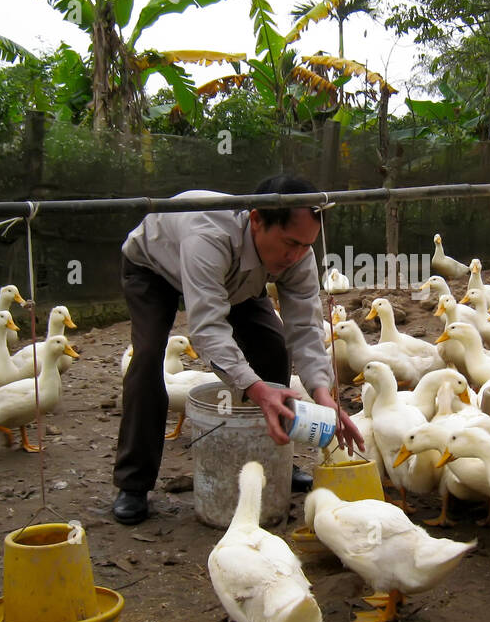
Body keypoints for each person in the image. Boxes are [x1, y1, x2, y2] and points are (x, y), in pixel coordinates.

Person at [111, 173, 364, 524]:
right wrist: (256, 389)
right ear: (256, 219)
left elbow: (305, 327)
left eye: (307, 246)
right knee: (149, 357)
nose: (297, 256)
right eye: (291, 243)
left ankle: (274, 454)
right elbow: (208, 327)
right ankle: (133, 484)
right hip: (154, 268)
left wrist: (324, 394)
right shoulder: (208, 236)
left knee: (273, 346)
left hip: (241, 279)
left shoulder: (296, 253)